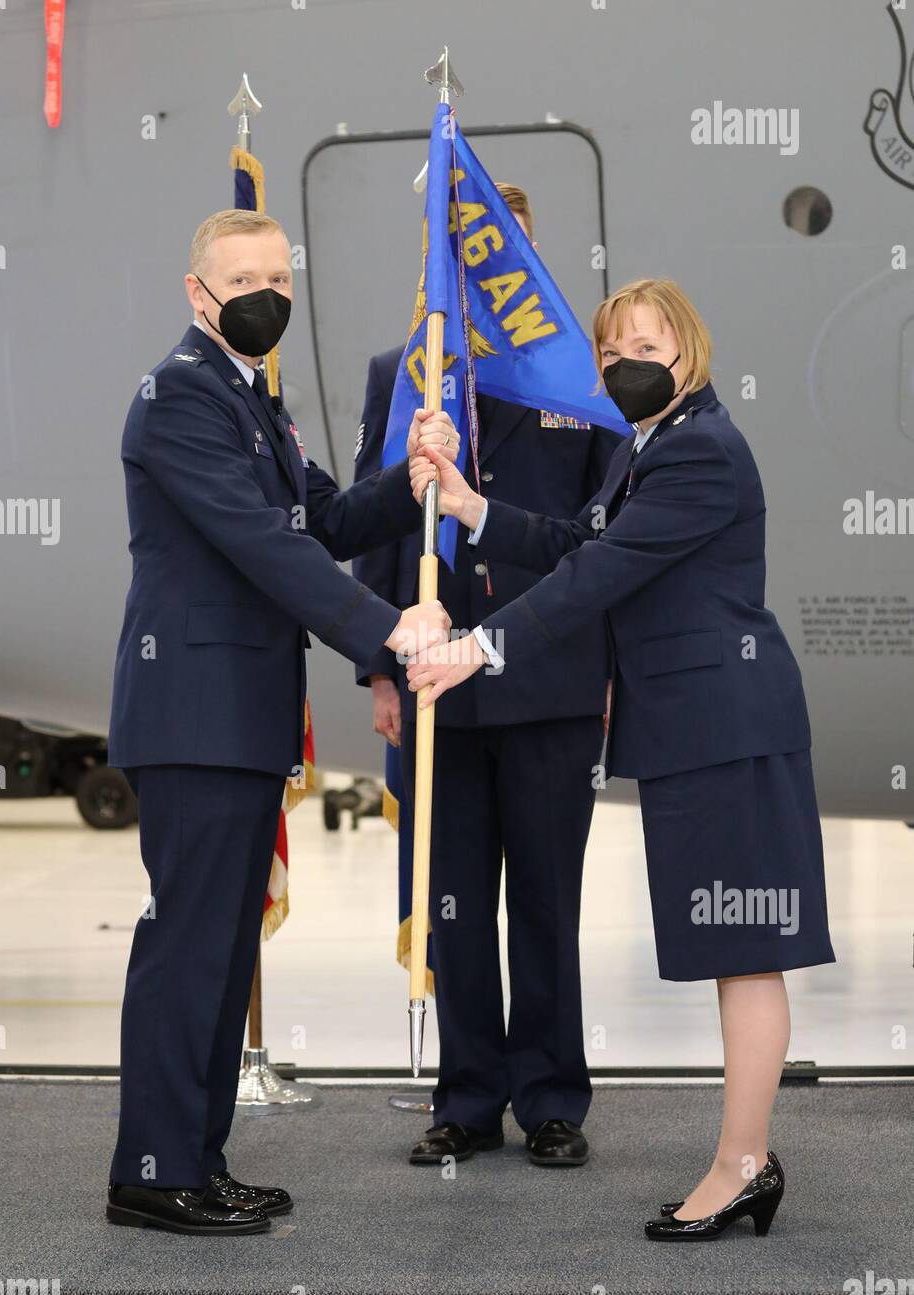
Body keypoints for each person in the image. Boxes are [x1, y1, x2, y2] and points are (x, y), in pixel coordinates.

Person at [407, 278, 835, 1240]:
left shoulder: (698, 454)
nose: (622, 362)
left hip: (730, 731)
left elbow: (596, 576)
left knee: (748, 952)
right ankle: (744, 1160)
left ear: (688, 350)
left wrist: (477, 647)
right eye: (608, 352)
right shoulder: (654, 447)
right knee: (735, 951)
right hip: (702, 733)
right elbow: (574, 541)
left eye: (643, 344)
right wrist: (473, 504)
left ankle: (741, 1166)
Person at [106, 208, 458, 1236]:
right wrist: (391, 630)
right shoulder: (179, 399)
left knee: (219, 950)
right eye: (243, 278)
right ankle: (154, 1168)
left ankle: (195, 1160)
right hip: (195, 715)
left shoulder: (253, 399)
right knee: (188, 946)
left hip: (241, 718)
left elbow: (325, 518)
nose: (267, 293)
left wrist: (412, 483)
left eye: (278, 276)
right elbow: (267, 547)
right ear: (197, 294)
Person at [353, 183, 625, 1167]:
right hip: (436, 685)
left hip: (549, 683)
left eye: (492, 253)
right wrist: (376, 670)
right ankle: (467, 1096)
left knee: (547, 901)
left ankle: (554, 1097)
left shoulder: (577, 384)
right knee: (456, 901)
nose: (473, 273)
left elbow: (606, 540)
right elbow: (376, 530)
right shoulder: (402, 376)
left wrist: (607, 670)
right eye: (455, 255)